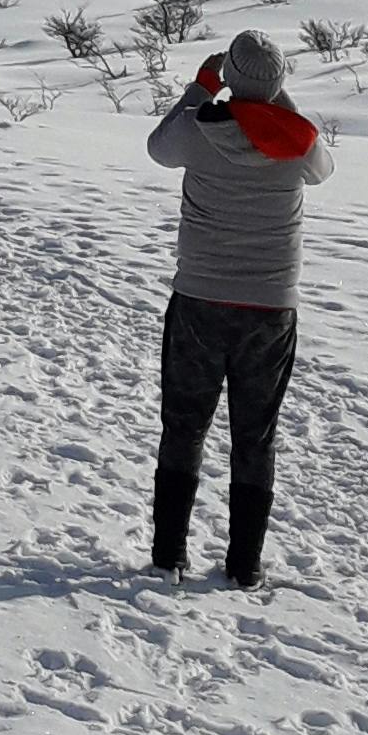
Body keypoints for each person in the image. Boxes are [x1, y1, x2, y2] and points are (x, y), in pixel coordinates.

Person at [143, 31, 334, 584]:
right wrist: (273, 96)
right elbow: (324, 169)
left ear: (227, 74)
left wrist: (201, 89)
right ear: (278, 85)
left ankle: (168, 554)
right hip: (271, 308)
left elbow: (159, 148)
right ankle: (244, 564)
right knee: (255, 435)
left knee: (184, 427)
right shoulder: (298, 145)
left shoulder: (200, 131)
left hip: (200, 297)